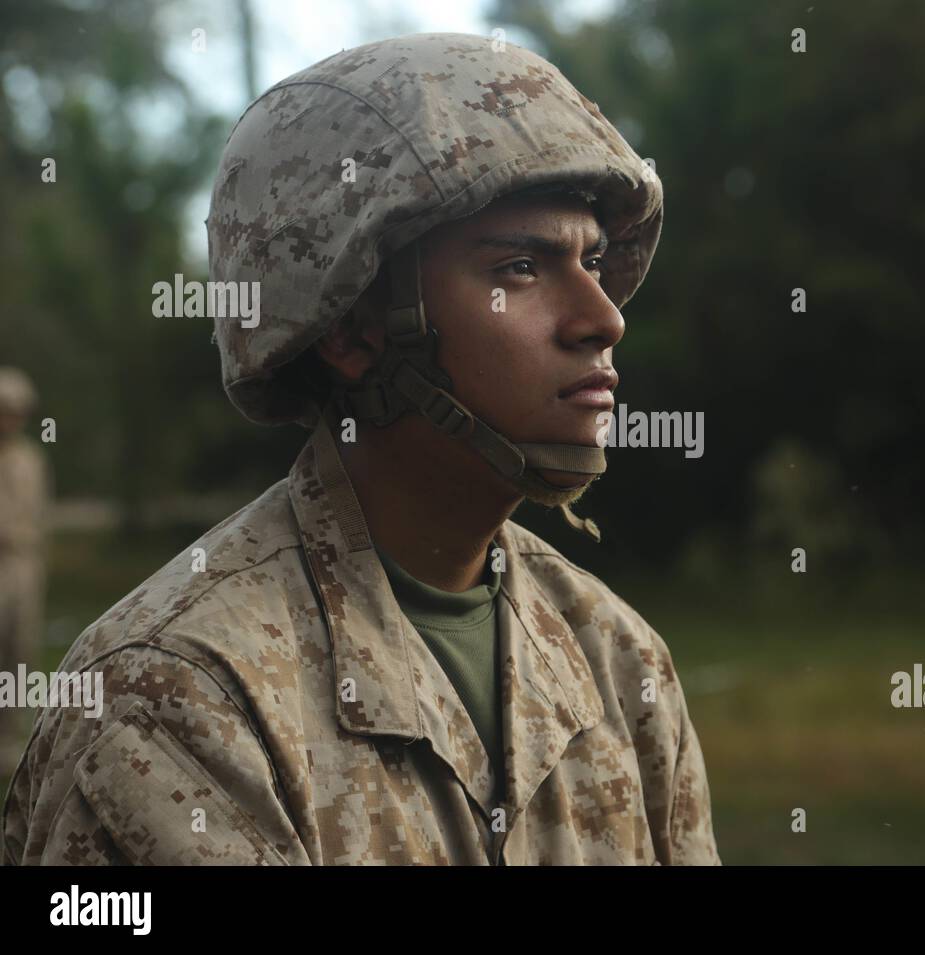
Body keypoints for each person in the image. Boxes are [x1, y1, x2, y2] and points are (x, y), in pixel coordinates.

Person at [2, 33, 720, 866]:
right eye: (522, 267)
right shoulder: (179, 699)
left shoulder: (619, 660)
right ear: (351, 330)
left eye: (594, 261)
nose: (604, 318)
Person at [0, 368, 49, 773]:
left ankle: (12, 736)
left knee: (20, 650)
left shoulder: (31, 458)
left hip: (23, 565)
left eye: (15, 411)